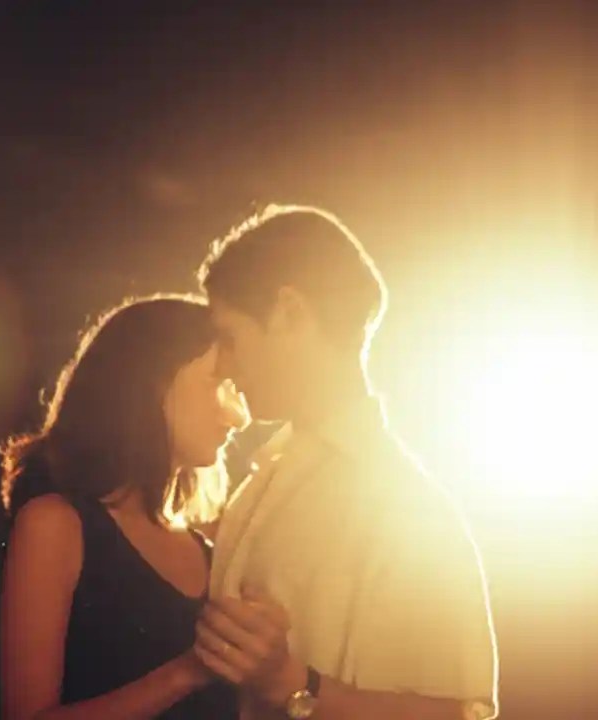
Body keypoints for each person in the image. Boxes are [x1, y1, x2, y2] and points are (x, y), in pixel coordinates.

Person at [190, 205, 500, 719]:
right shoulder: (263, 481)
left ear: (290, 312)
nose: (222, 365)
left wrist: (294, 685)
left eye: (230, 337)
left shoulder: (408, 506)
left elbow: (459, 715)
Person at [0, 294, 247, 720]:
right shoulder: (55, 525)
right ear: (151, 384)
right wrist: (185, 672)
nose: (237, 416)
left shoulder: (210, 551)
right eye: (216, 383)